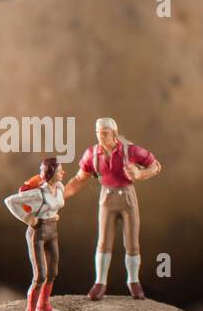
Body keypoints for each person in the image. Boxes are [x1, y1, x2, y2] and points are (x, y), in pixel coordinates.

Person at [63, 117, 163, 299]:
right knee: (103, 242)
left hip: (127, 198)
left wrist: (140, 173)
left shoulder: (130, 151)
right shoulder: (92, 154)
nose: (101, 138)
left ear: (114, 134)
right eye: (98, 134)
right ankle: (100, 282)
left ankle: (133, 281)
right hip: (107, 199)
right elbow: (79, 179)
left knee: (132, 243)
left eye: (104, 134)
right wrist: (60, 196)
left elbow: (155, 166)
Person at [4, 158, 67, 311]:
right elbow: (11, 201)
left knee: (53, 272)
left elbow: (55, 206)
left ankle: (44, 305)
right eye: (60, 170)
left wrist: (53, 214)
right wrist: (28, 218)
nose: (63, 173)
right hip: (38, 233)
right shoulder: (39, 192)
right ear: (51, 173)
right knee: (40, 276)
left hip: (52, 231)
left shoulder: (60, 188)